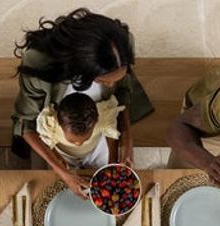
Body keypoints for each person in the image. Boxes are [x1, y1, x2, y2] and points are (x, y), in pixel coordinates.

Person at [12, 8, 154, 197]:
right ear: (83, 67)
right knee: (42, 190)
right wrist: (64, 173)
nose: (113, 84)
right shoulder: (39, 63)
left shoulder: (123, 44)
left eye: (117, 78)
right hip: (54, 133)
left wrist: (127, 142)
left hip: (98, 127)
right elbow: (27, 123)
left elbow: (120, 96)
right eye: (104, 81)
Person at [36, 93, 124, 172]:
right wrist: (57, 158)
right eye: (72, 141)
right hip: (65, 155)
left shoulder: (103, 115)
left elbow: (111, 134)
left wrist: (112, 160)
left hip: (93, 151)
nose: (79, 144)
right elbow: (47, 143)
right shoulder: (50, 124)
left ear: (96, 122)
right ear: (59, 124)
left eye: (85, 139)